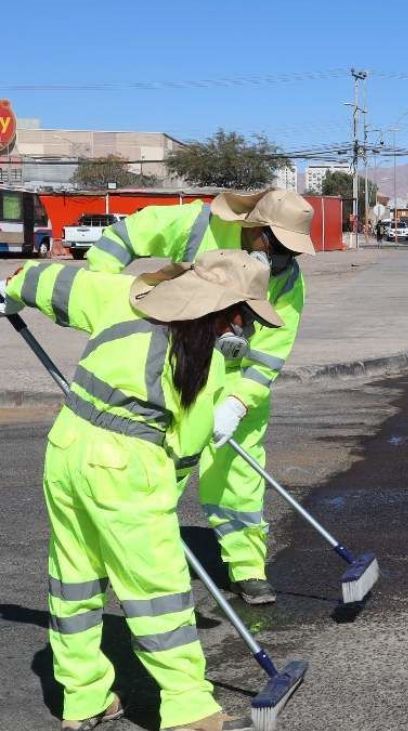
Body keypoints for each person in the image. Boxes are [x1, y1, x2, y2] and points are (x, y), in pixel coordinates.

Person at [1, 250, 282, 731]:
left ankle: (83, 700)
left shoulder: (121, 295)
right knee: (159, 591)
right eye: (244, 316)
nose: (245, 327)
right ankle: (189, 712)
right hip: (128, 470)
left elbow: (42, 279)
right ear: (223, 311)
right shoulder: (202, 370)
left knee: (75, 581)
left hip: (66, 448)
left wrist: (11, 291)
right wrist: (158, 512)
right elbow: (183, 457)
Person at [88, 189, 314, 606]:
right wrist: (105, 296)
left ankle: (247, 569)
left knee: (239, 483)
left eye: (292, 252)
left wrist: (240, 401)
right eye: (279, 246)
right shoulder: (195, 225)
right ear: (255, 229)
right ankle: (127, 560)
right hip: (178, 372)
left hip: (235, 383)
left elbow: (271, 350)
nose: (284, 258)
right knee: (158, 470)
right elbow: (124, 237)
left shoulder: (287, 277)